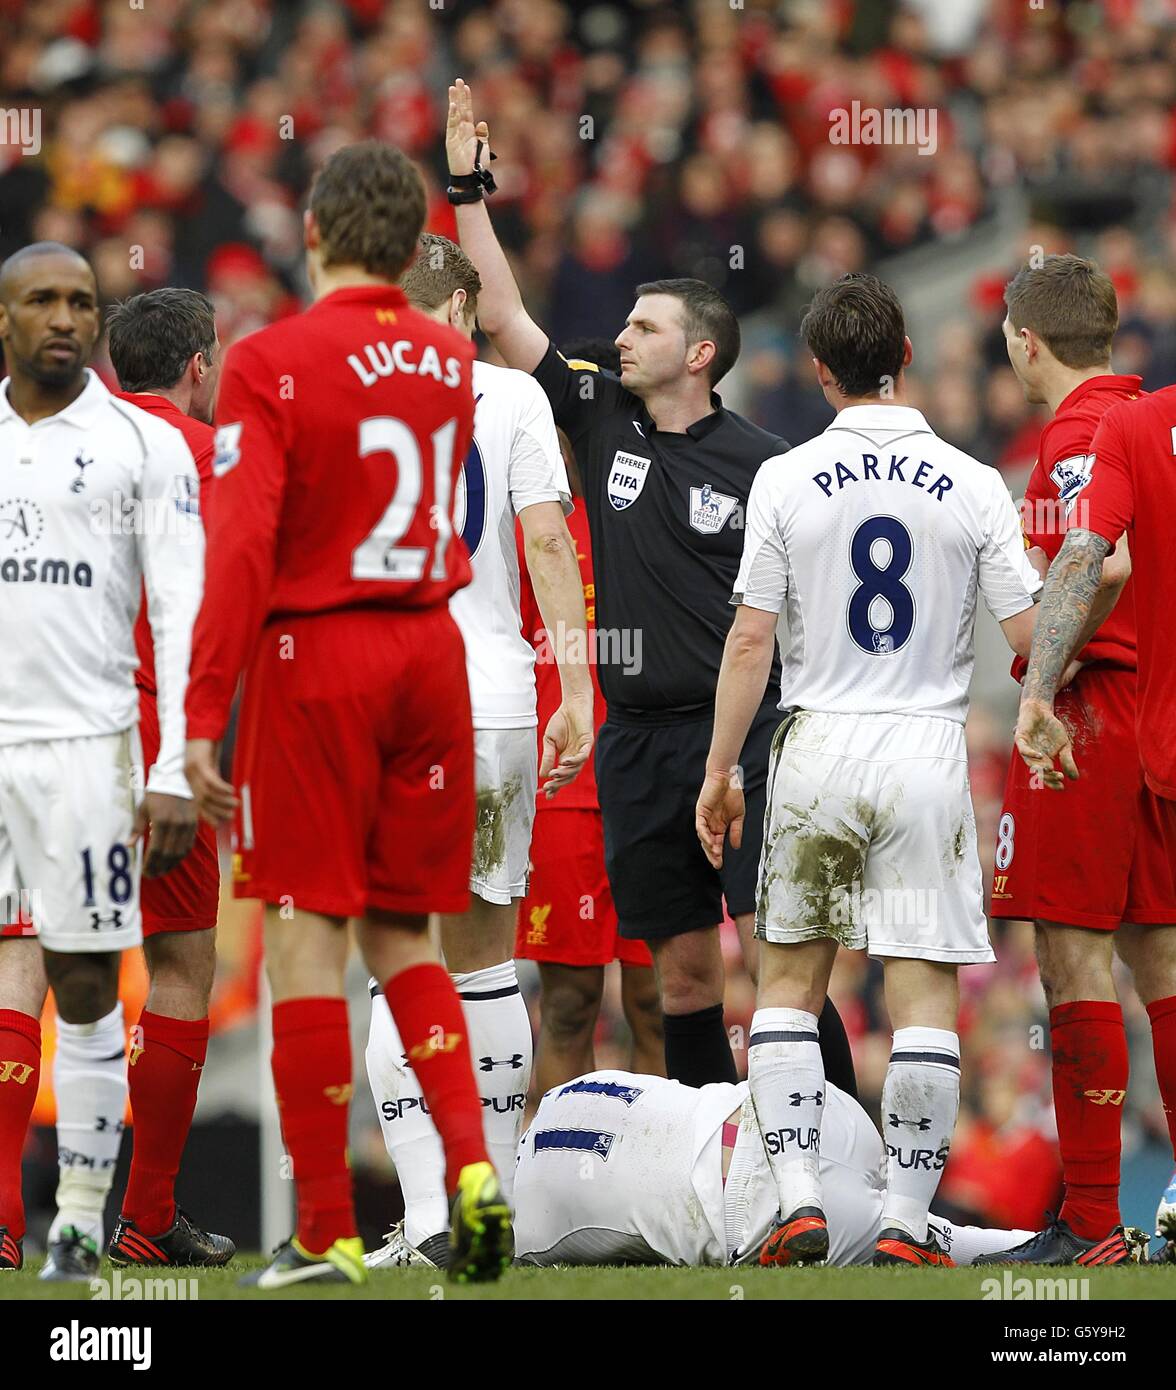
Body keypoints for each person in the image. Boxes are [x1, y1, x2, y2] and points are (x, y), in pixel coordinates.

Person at [445, 77, 856, 1096]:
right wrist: (465, 186)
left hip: (748, 735)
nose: (619, 338)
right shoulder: (598, 415)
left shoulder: (769, 463)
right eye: (623, 325)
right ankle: (718, 1167)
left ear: (700, 353)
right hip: (634, 741)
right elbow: (496, 309)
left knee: (779, 954)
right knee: (679, 973)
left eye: (644, 329)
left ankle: (841, 1148)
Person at [182, 143, 510, 1289]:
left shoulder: (270, 360)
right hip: (434, 653)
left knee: (303, 937)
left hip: (316, 654)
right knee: (407, 936)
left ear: (316, 231)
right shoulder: (445, 358)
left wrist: (201, 717)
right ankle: (472, 1168)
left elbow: (238, 547)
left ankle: (322, 1226)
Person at [696, 273, 1044, 1269]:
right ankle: (902, 1219)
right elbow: (1027, 632)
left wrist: (722, 769)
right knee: (923, 992)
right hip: (927, 748)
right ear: (904, 352)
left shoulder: (785, 476)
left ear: (818, 370)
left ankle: (798, 1198)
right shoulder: (974, 480)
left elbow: (750, 641)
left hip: (816, 745)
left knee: (788, 981)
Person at [364, 232, 593, 1269]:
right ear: (461, 306)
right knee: (489, 959)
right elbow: (549, 540)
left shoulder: (347, 392)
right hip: (495, 694)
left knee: (395, 956)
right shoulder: (511, 399)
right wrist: (577, 685)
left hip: (384, 696)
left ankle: (425, 1219)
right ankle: (488, 1203)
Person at [0, 243, 208, 1275]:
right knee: (25, 965)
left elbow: (183, 609)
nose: (63, 318)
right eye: (41, 300)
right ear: (5, 318)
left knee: (73, 975)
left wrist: (176, 761)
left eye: (82, 301)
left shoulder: (146, 448)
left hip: (102, 747)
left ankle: (75, 1220)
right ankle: (61, 1215)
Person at [981, 255, 1176, 1265]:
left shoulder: (1073, 434)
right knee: (1163, 962)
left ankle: (1093, 1221)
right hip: (1160, 723)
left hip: (1093, 712)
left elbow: (1108, 556)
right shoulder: (1149, 415)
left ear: (1026, 341)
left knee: (1072, 958)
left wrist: (1042, 679)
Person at [515, 337, 663, 1099]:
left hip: (652, 782)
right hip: (564, 794)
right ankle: (553, 1185)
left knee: (658, 1004)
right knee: (569, 1004)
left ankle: (662, 1193)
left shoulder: (658, 514)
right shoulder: (527, 525)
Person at [513, 1068, 1052, 1268]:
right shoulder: (566, 1091)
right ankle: (1068, 1243)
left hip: (752, 1210)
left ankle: (1051, 1246)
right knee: (916, 1219)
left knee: (944, 1238)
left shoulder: (530, 1231)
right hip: (802, 1109)